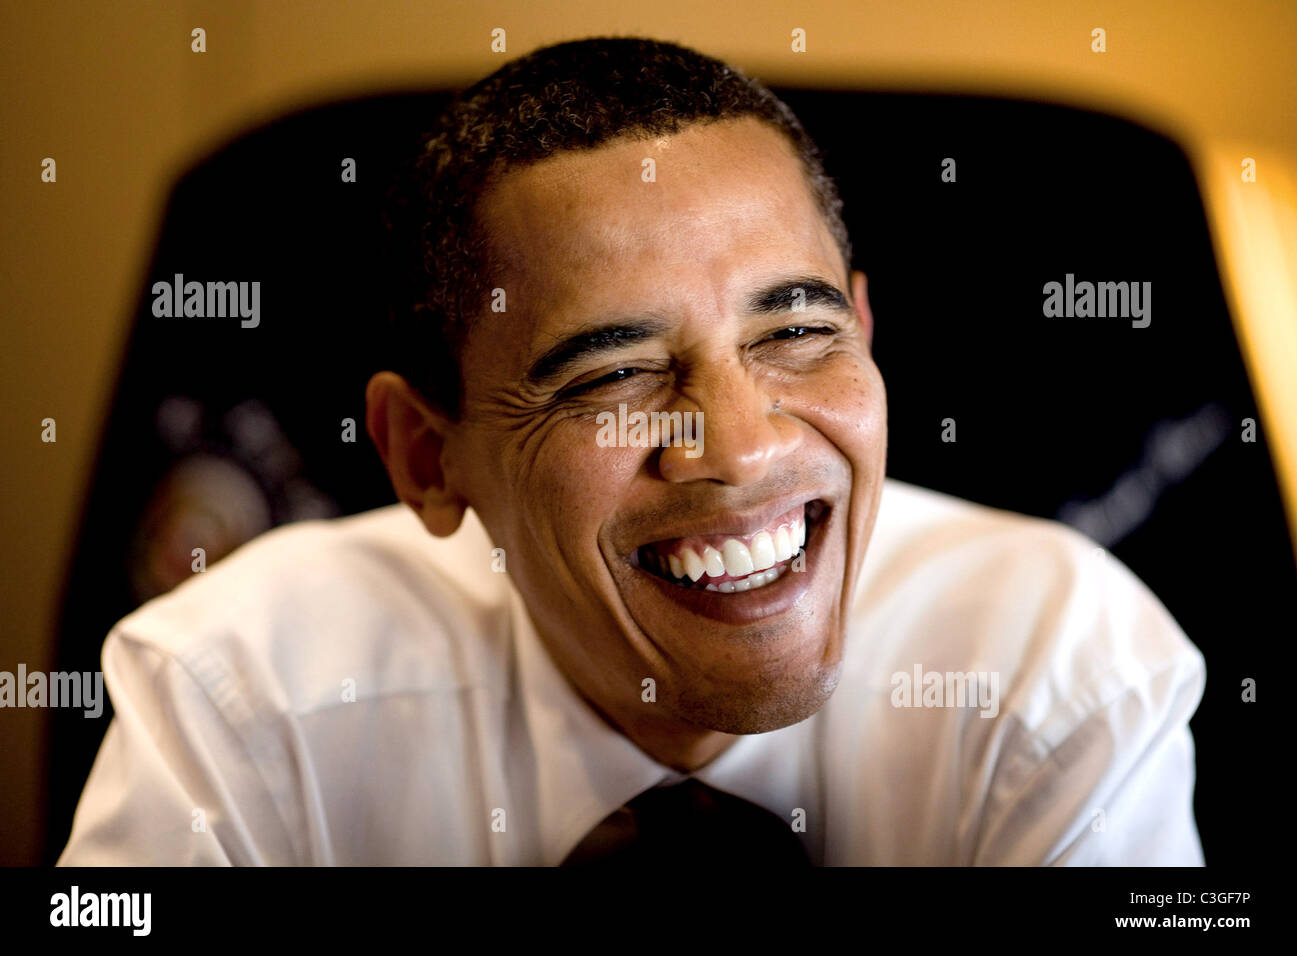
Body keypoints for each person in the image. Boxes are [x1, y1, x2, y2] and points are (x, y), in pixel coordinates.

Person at [58, 36, 1205, 866]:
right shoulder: (240, 691)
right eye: (611, 374)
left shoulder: (1057, 667)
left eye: (796, 331)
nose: (744, 447)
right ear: (424, 458)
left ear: (863, 329)